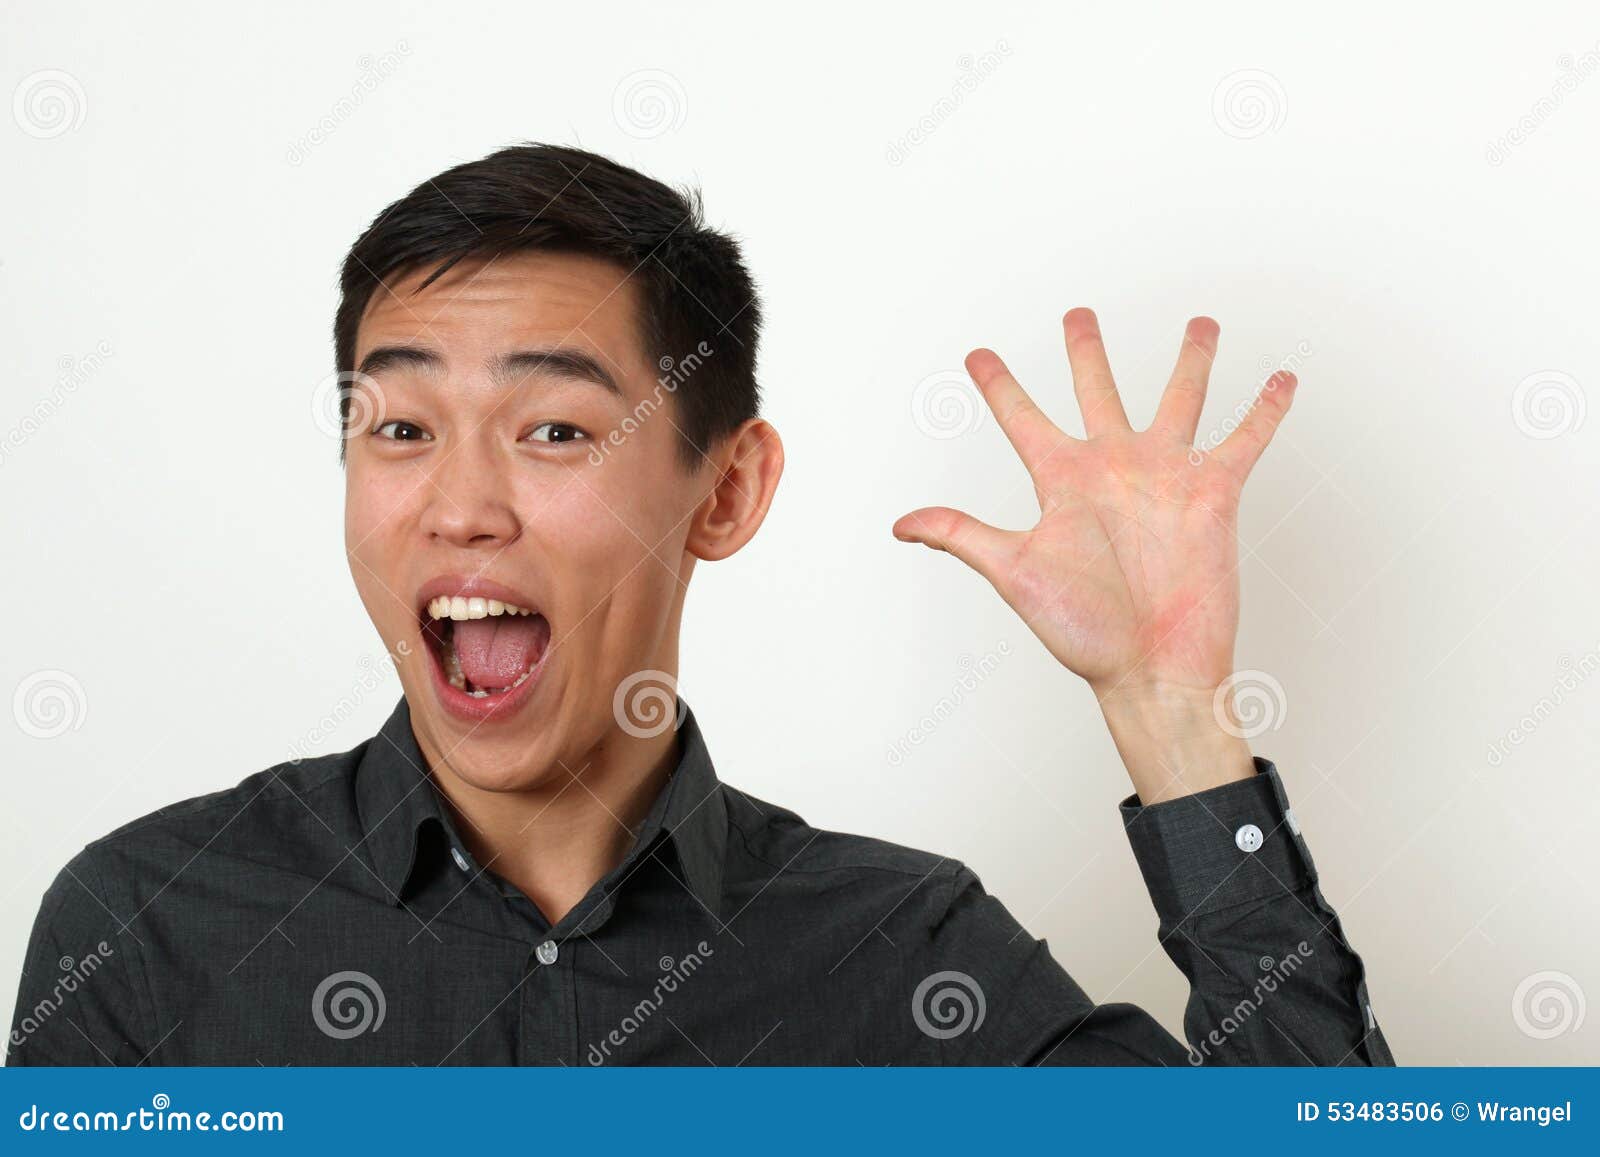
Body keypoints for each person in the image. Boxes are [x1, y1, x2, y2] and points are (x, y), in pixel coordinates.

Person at [7, 144, 1391, 1066]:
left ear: (723, 492)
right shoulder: (147, 932)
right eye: (399, 424)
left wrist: (1172, 715)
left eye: (553, 429)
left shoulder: (905, 955)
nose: (459, 504)